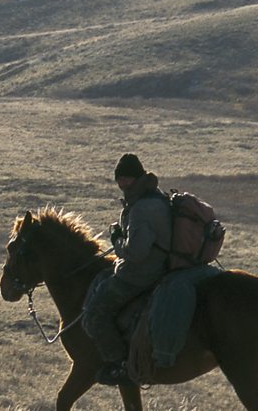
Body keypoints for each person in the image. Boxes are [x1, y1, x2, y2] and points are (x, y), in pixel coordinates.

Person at [82, 153, 172, 386]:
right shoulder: (155, 197)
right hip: (161, 266)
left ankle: (122, 365)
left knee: (94, 314)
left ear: (135, 178)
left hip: (141, 273)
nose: (121, 184)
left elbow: (136, 253)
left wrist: (116, 239)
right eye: (119, 179)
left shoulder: (141, 207)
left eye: (124, 179)